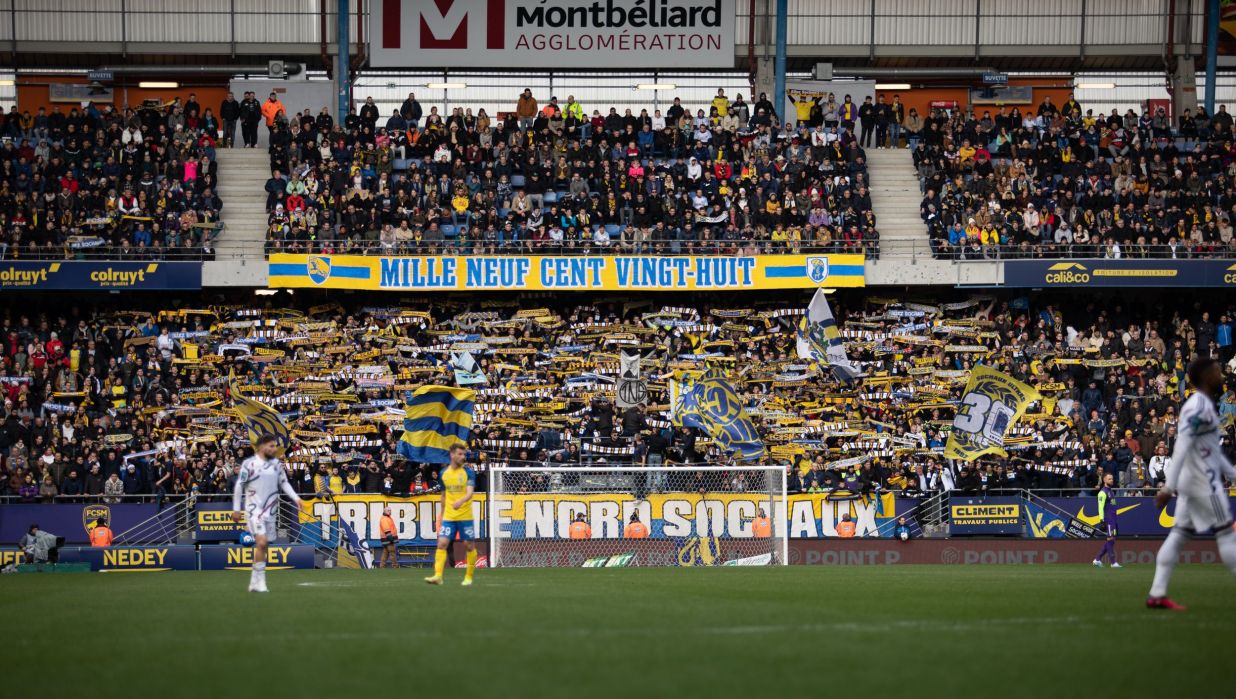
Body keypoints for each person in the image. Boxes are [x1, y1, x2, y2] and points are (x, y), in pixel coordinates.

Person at [1147, 358, 1236, 610]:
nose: (1221, 375)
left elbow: (1212, 452)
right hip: (1202, 482)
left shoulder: (1205, 405)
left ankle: (1157, 593)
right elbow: (1182, 446)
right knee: (1227, 535)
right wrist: (1167, 487)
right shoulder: (1198, 406)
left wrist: (1233, 475)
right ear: (1207, 377)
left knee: (1178, 535)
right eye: (1217, 372)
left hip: (1195, 479)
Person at [231, 433, 304, 593]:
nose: (275, 448)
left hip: (270, 511)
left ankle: (254, 581)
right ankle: (261, 582)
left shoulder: (277, 465)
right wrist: (236, 509)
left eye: (275, 446)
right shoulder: (249, 464)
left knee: (263, 547)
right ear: (262, 446)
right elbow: (239, 486)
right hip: (253, 510)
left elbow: (284, 484)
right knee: (262, 542)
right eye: (271, 446)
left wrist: (296, 499)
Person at [425, 444, 478, 586]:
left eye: (464, 454)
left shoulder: (468, 472)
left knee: (468, 545)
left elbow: (469, 493)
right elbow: (443, 496)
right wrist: (442, 515)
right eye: (460, 454)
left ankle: (468, 576)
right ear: (452, 455)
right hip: (449, 516)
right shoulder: (443, 473)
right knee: (442, 543)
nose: (463, 457)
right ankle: (437, 576)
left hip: (465, 515)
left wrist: (460, 501)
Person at [1092, 474, 1121, 568]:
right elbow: (1100, 507)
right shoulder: (1102, 492)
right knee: (1110, 539)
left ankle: (1097, 559)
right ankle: (1113, 563)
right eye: (1109, 479)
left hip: (1113, 519)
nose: (1112, 480)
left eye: (1112, 478)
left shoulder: (1110, 491)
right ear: (1104, 480)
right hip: (1108, 519)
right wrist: (1101, 520)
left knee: (1112, 540)